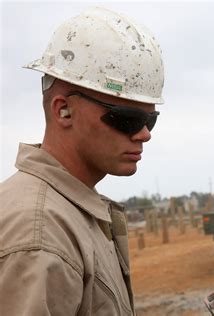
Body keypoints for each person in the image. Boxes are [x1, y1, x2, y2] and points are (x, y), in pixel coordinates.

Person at [0, 7, 164, 315]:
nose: (144, 134)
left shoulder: (73, 212)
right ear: (63, 110)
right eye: (127, 119)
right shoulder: (41, 235)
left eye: (150, 120)